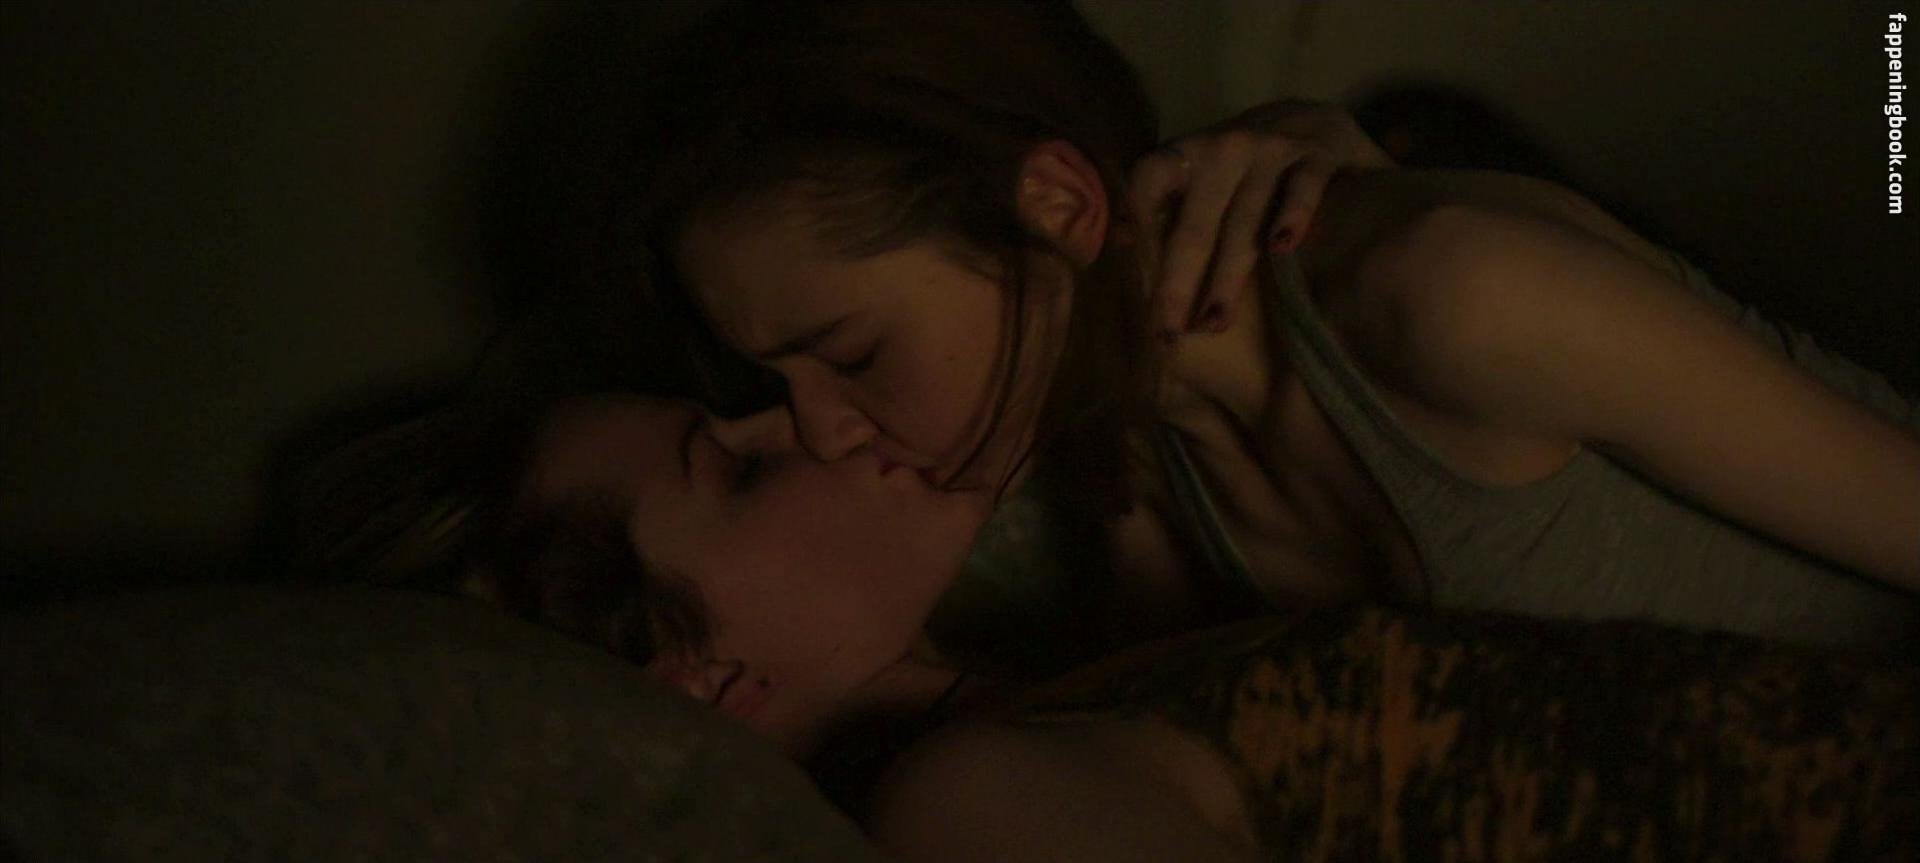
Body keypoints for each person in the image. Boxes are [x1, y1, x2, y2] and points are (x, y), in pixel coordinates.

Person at [609, 0, 1920, 657]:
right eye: (778, 379)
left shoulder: (1453, 298)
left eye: (849, 354)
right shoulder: (1095, 455)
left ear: (1058, 206)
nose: (821, 428)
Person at [457, 390, 1918, 862]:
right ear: (706, 679)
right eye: (735, 467)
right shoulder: (965, 801)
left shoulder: (1045, 697)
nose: (815, 417)